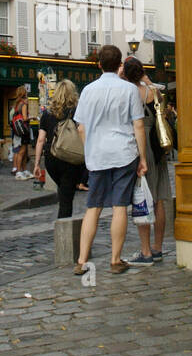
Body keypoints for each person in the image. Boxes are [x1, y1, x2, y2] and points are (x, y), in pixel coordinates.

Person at [72, 45, 149, 275]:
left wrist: (90, 150)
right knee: (119, 207)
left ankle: (82, 259)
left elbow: (81, 127)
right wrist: (142, 157)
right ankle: (115, 259)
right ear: (120, 66)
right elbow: (138, 125)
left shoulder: (87, 90)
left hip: (97, 155)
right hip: (123, 153)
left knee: (93, 207)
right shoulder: (129, 90)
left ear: (98, 65)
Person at [119, 57, 171, 265]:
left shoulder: (128, 92)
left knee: (142, 196)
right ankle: (158, 248)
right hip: (157, 144)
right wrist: (147, 81)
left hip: (140, 143)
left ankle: (146, 251)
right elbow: (163, 108)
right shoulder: (152, 91)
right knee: (158, 198)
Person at [32, 79, 86, 220]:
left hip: (52, 158)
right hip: (70, 157)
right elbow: (81, 131)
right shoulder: (77, 110)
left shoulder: (47, 113)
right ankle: (64, 232)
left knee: (63, 190)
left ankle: (63, 225)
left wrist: (37, 163)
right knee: (66, 199)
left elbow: (40, 139)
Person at [10, 98, 32, 179]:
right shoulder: (24, 105)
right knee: (22, 151)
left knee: (23, 151)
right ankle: (20, 171)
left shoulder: (17, 105)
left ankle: (24, 170)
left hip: (18, 131)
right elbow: (25, 118)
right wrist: (32, 117)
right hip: (24, 130)